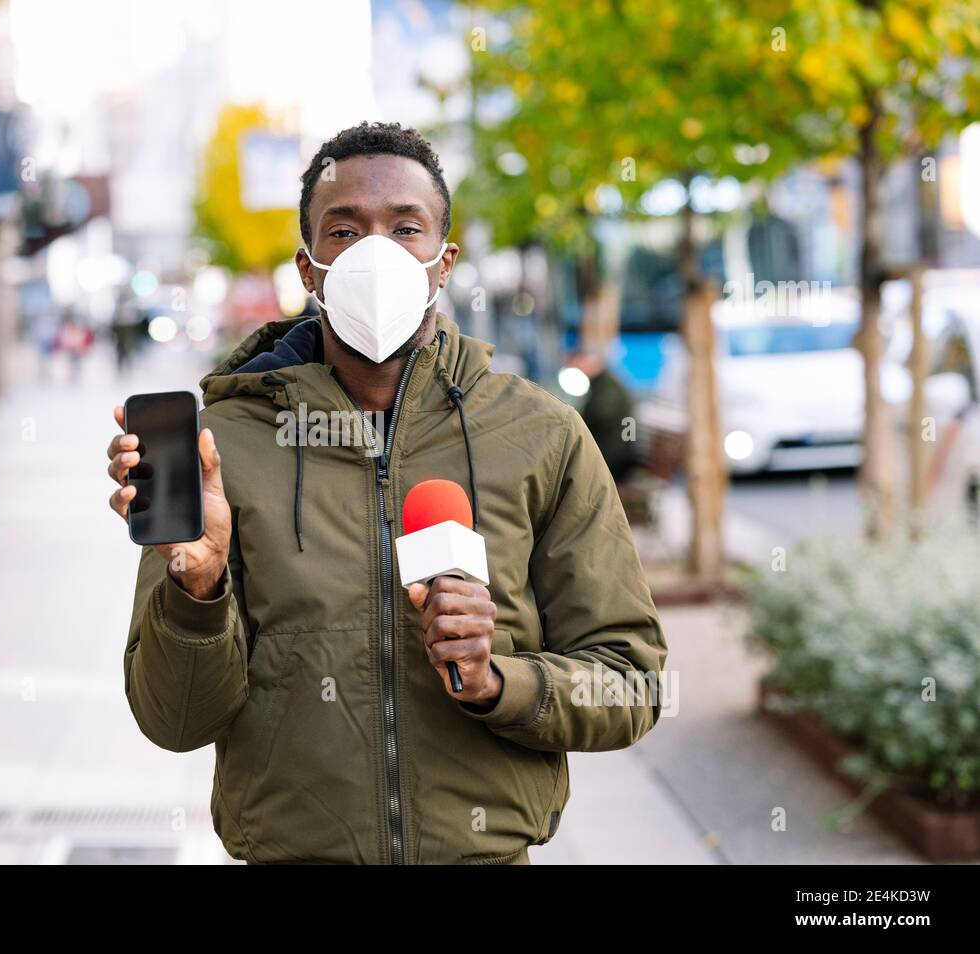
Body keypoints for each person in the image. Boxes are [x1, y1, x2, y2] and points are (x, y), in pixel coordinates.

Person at [107, 122, 667, 865]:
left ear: (444, 262)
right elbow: (173, 720)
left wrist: (501, 679)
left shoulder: (542, 436)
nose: (376, 253)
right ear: (309, 270)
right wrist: (198, 584)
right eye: (345, 230)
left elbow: (631, 686)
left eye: (406, 227)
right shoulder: (223, 450)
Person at [567, 351, 638, 484]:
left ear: (586, 362)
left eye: (575, 366)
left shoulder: (607, 387)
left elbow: (600, 416)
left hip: (615, 457)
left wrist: (575, 420)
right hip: (613, 451)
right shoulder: (602, 383)